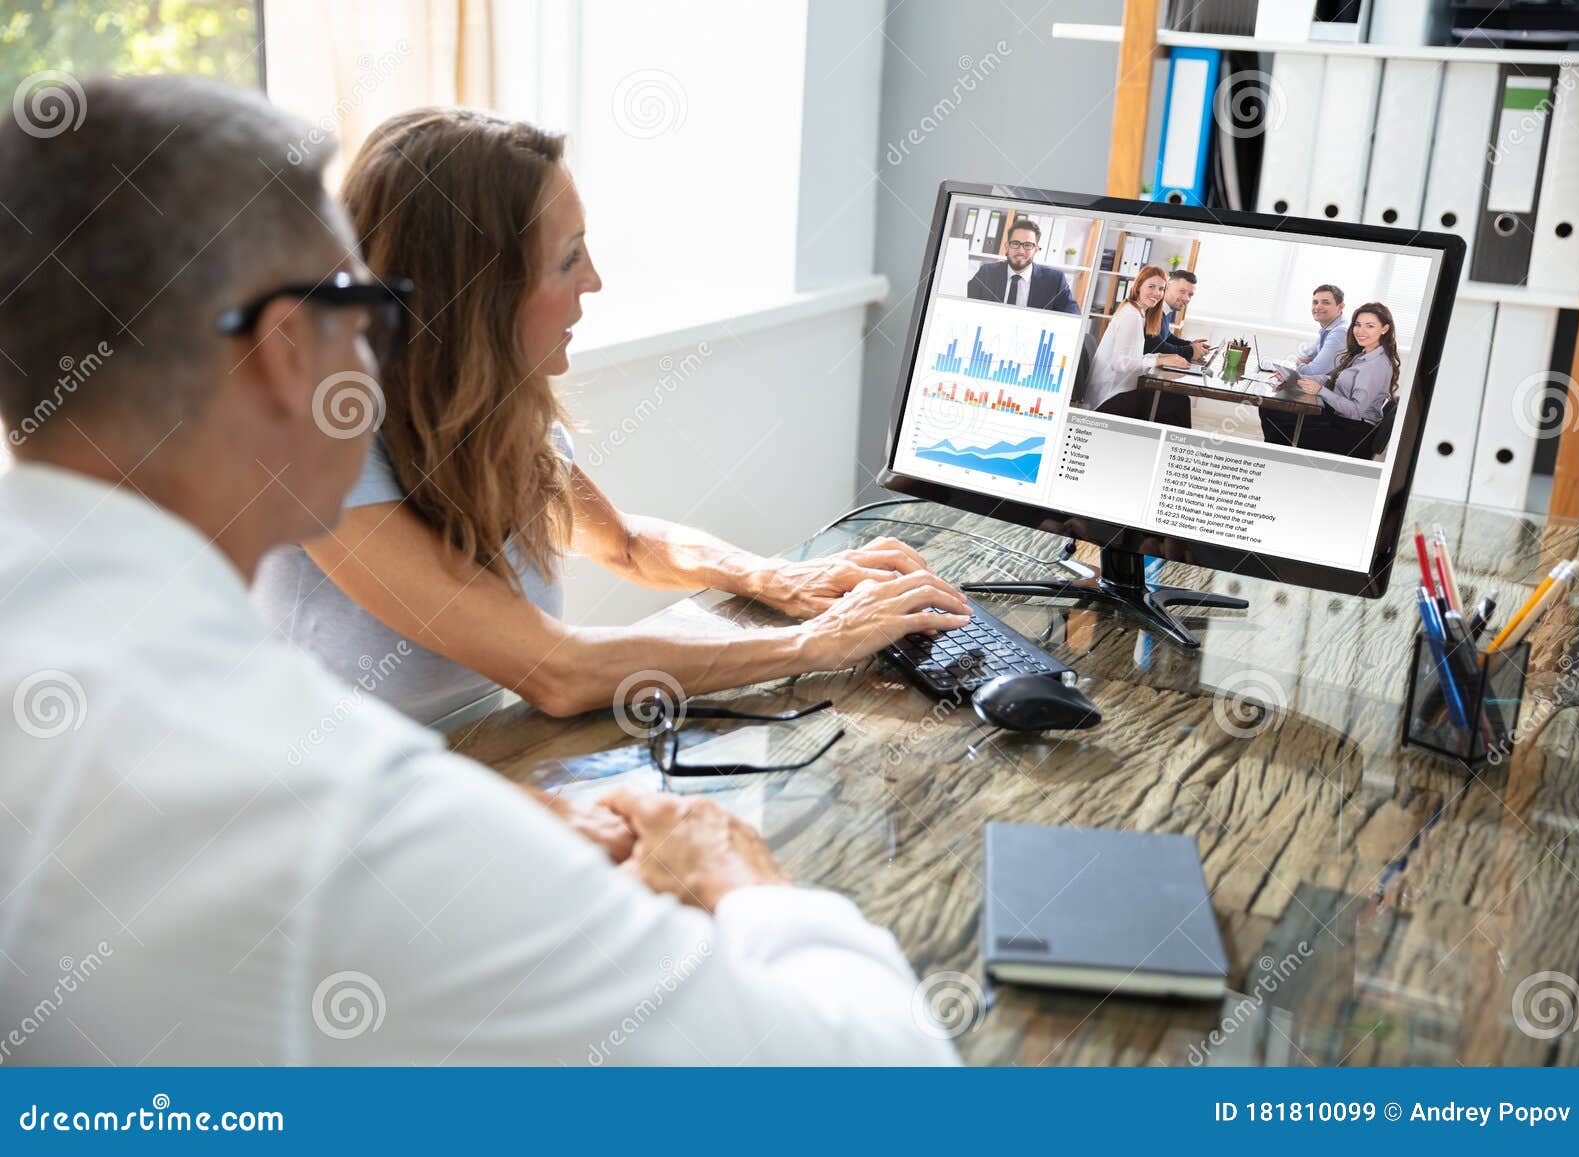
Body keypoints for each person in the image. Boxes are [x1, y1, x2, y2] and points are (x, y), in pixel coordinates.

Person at [0, 75, 959, 1065]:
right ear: (288, 354)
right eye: (365, 305)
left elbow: (620, 539)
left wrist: (777, 578)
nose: (381, 346)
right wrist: (743, 881)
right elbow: (886, 1078)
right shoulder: (366, 826)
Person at [252, 107, 971, 730]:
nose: (593, 280)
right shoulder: (323, 444)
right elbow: (557, 670)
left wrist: (776, 577)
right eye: (568, 259)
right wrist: (814, 641)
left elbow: (624, 543)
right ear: (475, 297)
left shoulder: (499, 414)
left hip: (477, 765)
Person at [1261, 302, 1399, 457]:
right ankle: (1278, 458)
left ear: (1384, 329)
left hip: (1353, 432)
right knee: (1271, 409)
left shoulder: (1376, 366)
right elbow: (1331, 378)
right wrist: (1295, 378)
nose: (1360, 331)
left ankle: (1278, 460)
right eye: (1358, 325)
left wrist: (1320, 391)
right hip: (1339, 418)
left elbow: (1355, 411)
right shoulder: (1363, 355)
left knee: (1279, 423)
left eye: (1370, 326)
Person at [1079, 265, 1189, 425]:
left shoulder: (1137, 312)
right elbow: (1121, 363)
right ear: (1138, 287)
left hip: (1119, 390)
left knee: (1176, 400)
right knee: (1176, 402)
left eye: (1161, 289)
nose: (1157, 293)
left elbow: (1133, 357)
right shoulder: (1132, 316)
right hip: (1109, 397)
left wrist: (1163, 357)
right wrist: (1159, 361)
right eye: (1151, 286)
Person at [966, 218, 1080, 313]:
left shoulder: (1055, 280)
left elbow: (1073, 319)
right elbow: (964, 306)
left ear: (1036, 250)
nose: (1020, 250)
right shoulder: (987, 273)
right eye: (1015, 243)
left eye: (1028, 245)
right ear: (1007, 246)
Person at [1275, 283, 1347, 382]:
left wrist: (1301, 365)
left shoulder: (1340, 332)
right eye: (1315, 302)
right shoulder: (1328, 330)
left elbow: (1313, 371)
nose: (1318, 307)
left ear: (1340, 306)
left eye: (1325, 302)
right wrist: (1305, 363)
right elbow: (1304, 356)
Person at [1143, 269, 1212, 363]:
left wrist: (1190, 344)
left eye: (1190, 295)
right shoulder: (1151, 310)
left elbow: (1167, 336)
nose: (1186, 298)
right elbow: (1155, 346)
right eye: (1182, 291)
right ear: (1167, 287)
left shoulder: (1163, 311)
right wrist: (1191, 350)